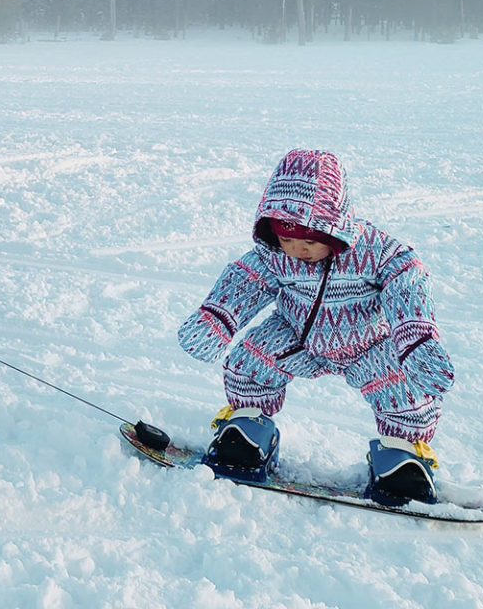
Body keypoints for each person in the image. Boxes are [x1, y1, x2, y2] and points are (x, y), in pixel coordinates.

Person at [177, 148, 455, 503]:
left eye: (310, 241)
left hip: (368, 344)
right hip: (297, 336)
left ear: (334, 226)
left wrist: (416, 342)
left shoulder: (375, 252)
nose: (298, 250)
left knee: (403, 390)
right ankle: (248, 431)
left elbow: (407, 279)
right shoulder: (275, 255)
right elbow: (247, 280)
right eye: (287, 239)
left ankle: (401, 459)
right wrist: (216, 319)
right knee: (248, 363)